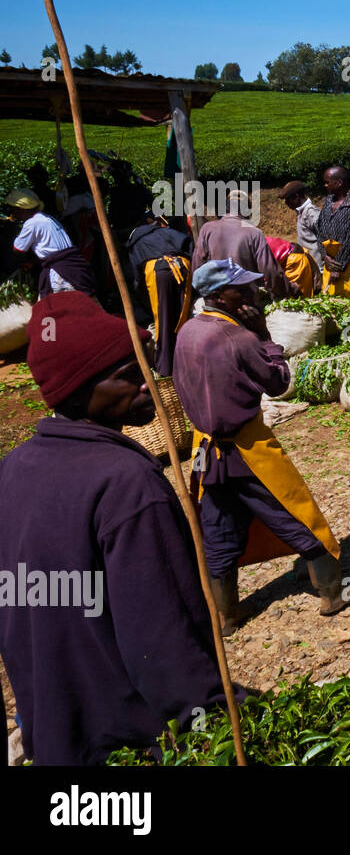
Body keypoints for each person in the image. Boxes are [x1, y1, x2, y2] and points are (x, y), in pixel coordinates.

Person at [0, 292, 238, 763]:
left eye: (145, 366)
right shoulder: (127, 484)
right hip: (129, 743)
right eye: (129, 375)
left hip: (57, 733)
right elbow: (164, 644)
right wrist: (220, 726)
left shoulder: (14, 468)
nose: (149, 383)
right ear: (80, 390)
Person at [172, 260, 350, 634]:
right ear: (216, 296)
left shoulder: (188, 332)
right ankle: (333, 592)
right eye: (239, 290)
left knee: (218, 524)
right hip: (246, 447)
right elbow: (278, 383)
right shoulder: (240, 339)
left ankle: (226, 615)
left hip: (204, 449)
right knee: (294, 513)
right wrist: (262, 333)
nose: (250, 295)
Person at [125, 213, 194, 375]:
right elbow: (188, 244)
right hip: (183, 267)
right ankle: (186, 356)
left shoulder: (135, 243)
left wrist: (143, 301)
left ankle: (166, 369)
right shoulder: (165, 232)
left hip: (158, 274)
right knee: (184, 316)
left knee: (164, 322)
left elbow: (136, 277)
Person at [193, 191, 294, 299]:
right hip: (243, 299)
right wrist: (287, 290)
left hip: (216, 297)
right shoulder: (254, 233)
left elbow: (197, 265)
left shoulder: (207, 229)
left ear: (226, 208)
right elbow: (270, 271)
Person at [7, 186, 95, 299]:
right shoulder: (49, 218)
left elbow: (18, 249)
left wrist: (12, 229)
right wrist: (34, 262)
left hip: (61, 274)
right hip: (75, 269)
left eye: (13, 209)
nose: (13, 213)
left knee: (58, 310)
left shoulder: (31, 223)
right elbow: (52, 249)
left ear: (20, 209)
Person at [317, 165, 350, 299]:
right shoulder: (327, 202)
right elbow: (319, 229)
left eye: (327, 182)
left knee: (349, 302)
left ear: (338, 183)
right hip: (329, 261)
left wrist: (338, 266)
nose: (325, 185)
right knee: (329, 300)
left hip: (346, 263)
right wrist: (324, 256)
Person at [279, 180, 323, 289]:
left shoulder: (311, 213)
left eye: (288, 200)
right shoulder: (302, 213)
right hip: (310, 266)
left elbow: (325, 238)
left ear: (296, 196)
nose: (286, 204)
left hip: (319, 267)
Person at [264, 234, 318, 299]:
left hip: (294, 262)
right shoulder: (253, 240)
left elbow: (270, 273)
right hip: (286, 260)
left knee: (296, 300)